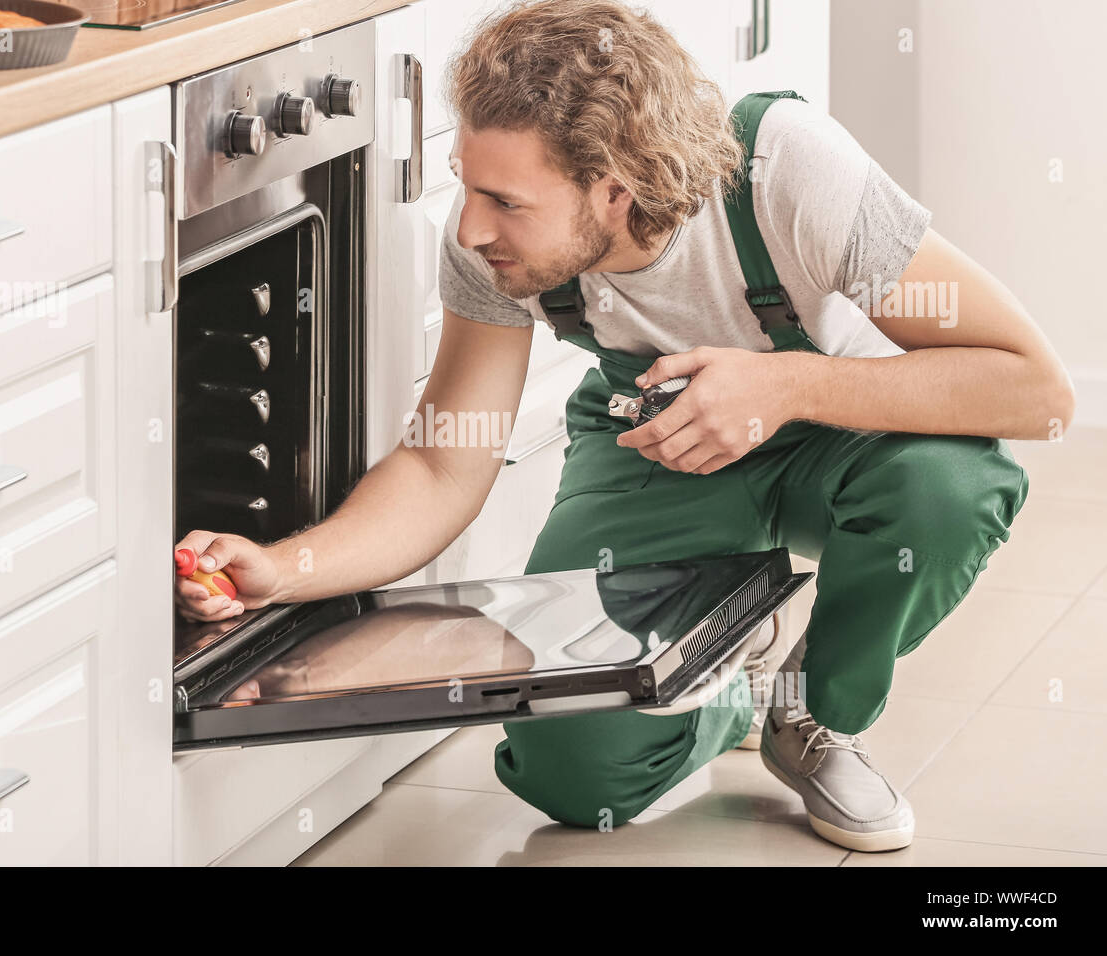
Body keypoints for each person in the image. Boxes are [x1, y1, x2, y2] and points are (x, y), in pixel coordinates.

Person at [174, 0, 1073, 852]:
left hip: (841, 428)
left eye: (507, 202)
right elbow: (445, 467)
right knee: (573, 780)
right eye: (467, 184)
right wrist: (282, 570)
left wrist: (785, 386)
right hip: (651, 437)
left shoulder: (789, 170)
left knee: (948, 491)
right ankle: (733, 682)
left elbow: (1036, 389)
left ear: (611, 190)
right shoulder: (489, 247)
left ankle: (809, 713)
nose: (471, 226)